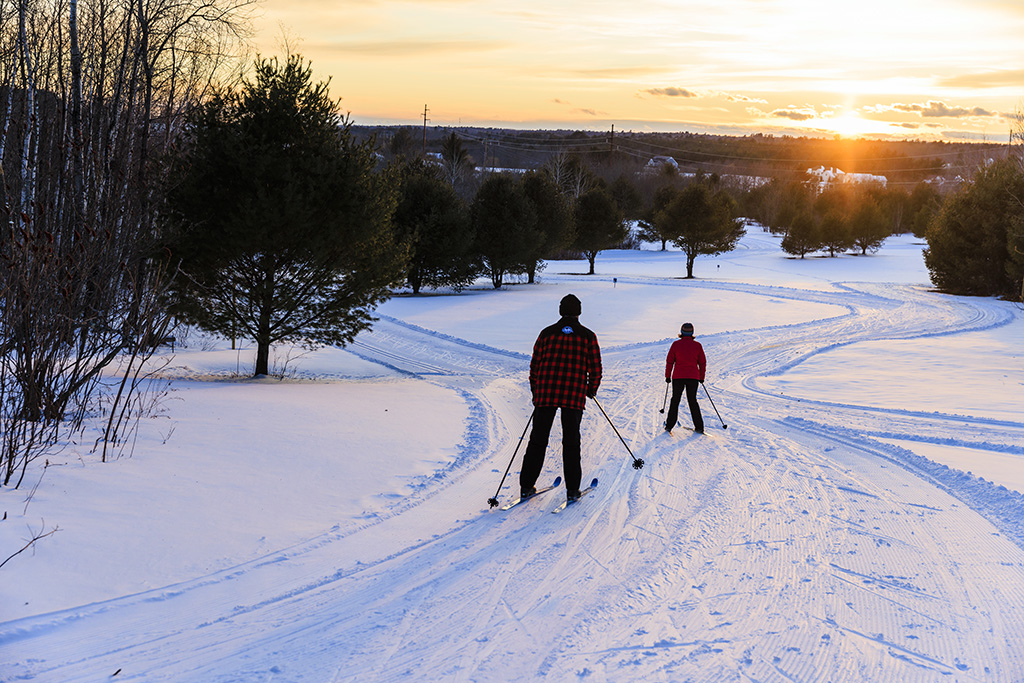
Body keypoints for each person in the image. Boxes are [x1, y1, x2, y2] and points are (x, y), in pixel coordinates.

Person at [520, 294, 602, 503]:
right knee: (571, 443)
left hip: (546, 394)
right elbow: (595, 368)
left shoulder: (546, 334)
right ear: (579, 311)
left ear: (560, 310)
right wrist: (591, 389)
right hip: (573, 396)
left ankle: (526, 486)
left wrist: (535, 391)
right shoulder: (587, 336)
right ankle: (572, 490)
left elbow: (535, 365)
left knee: (537, 440)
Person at [664, 322, 706, 434]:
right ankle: (699, 427)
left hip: (678, 377)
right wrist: (701, 377)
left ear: (682, 332)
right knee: (692, 401)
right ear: (692, 332)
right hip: (693, 377)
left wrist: (667, 376)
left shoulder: (676, 345)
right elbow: (702, 363)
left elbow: (669, 361)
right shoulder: (697, 346)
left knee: (675, 400)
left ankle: (669, 425)